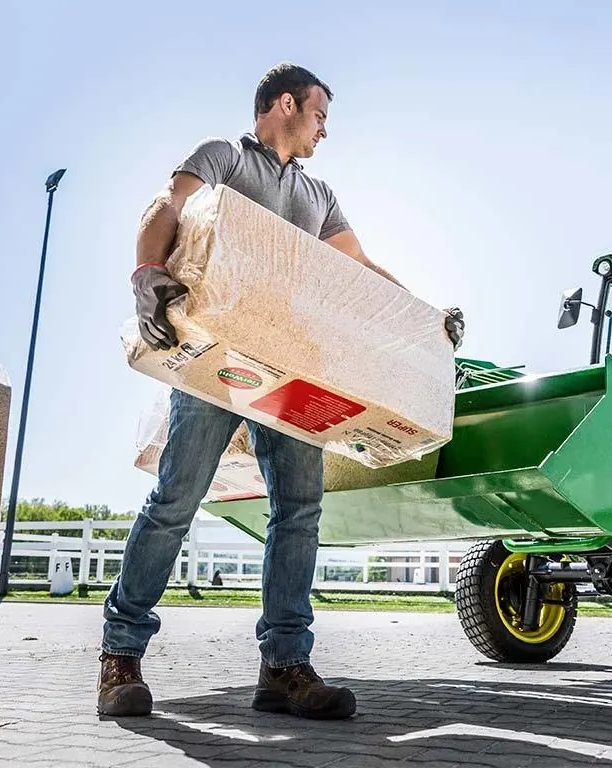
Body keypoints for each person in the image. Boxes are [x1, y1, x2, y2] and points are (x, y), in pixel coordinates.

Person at [98, 63, 464, 721]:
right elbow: (169, 206)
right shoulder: (225, 157)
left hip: (294, 371)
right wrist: (147, 273)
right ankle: (120, 653)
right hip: (219, 359)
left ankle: (285, 667)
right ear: (286, 104)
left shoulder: (319, 195)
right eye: (321, 116)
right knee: (176, 499)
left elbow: (360, 267)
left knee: (299, 510)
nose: (326, 131)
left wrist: (427, 321)